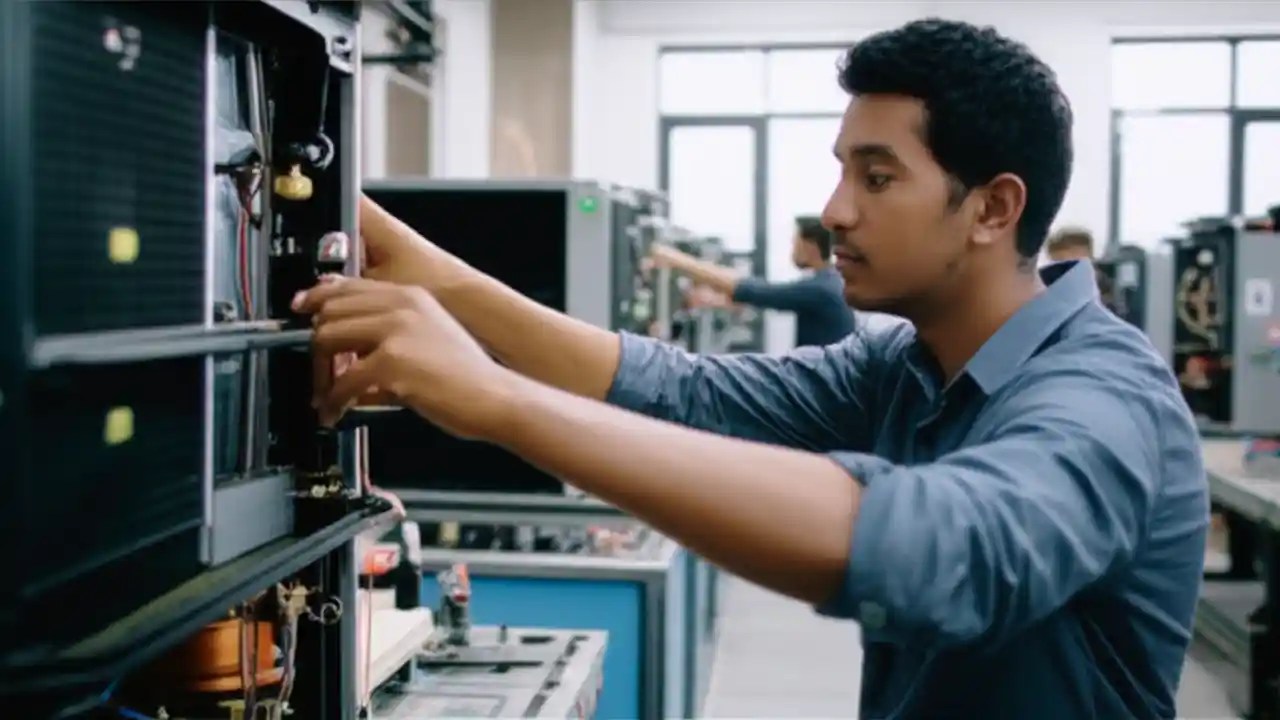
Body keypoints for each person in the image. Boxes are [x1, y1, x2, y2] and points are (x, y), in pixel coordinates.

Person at [295, 18, 1207, 720]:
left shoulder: (1104, 396)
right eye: (842, 170)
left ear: (992, 208)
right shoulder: (902, 367)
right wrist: (448, 282)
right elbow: (680, 390)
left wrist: (494, 399)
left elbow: (951, 553)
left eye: (877, 178)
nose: (835, 209)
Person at [649, 216, 857, 347]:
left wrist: (674, 259)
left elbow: (756, 291)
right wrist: (715, 301)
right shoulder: (828, 282)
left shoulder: (821, 289)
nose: (791, 250)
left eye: (795, 243)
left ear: (810, 247)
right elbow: (769, 296)